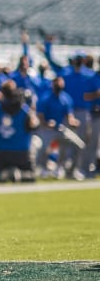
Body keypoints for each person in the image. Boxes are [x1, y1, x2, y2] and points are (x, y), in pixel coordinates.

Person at [44, 38, 96, 178]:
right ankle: (61, 167)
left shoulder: (89, 75)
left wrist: (89, 97)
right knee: (65, 141)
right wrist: (47, 46)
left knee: (81, 142)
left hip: (83, 112)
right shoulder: (66, 73)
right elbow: (52, 63)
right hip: (68, 113)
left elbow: (96, 91)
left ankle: (77, 168)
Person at [0, 81, 38, 183]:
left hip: (3, 152)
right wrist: (32, 109)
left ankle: (8, 173)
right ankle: (18, 174)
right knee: (30, 177)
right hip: (22, 151)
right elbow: (34, 125)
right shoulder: (24, 110)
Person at [36, 76, 81, 178]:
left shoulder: (66, 98)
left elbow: (69, 116)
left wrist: (73, 122)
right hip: (47, 129)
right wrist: (46, 123)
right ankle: (42, 169)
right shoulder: (45, 98)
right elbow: (40, 116)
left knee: (78, 145)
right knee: (44, 148)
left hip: (60, 128)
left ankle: (69, 171)